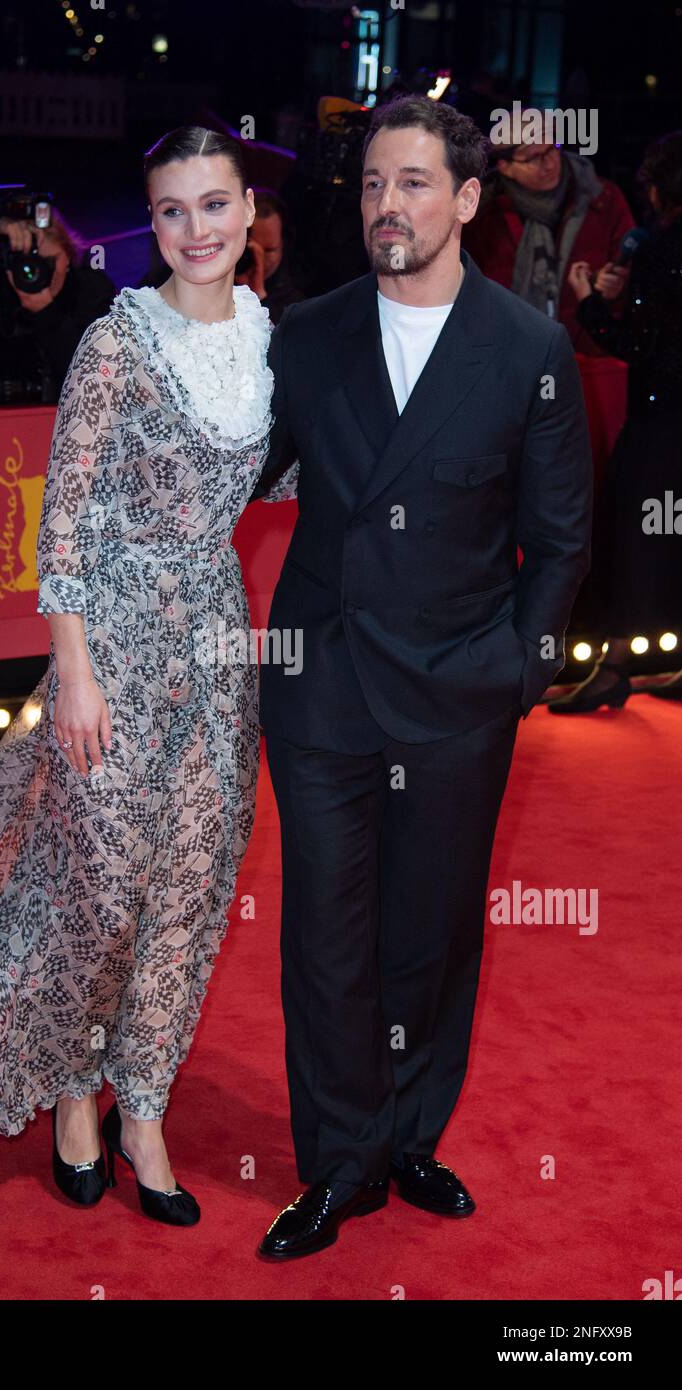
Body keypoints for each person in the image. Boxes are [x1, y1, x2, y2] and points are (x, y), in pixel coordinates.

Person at [0, 126, 273, 1224]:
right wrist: (72, 671)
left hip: (212, 649)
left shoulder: (265, 340)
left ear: (247, 212)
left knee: (192, 884)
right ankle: (74, 1090)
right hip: (107, 644)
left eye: (214, 206)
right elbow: (58, 524)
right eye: (171, 210)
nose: (195, 230)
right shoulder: (116, 341)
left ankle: (143, 1107)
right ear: (148, 223)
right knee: (99, 888)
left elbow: (291, 464)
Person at [249, 94, 593, 1260]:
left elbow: (559, 542)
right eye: (368, 186)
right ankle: (337, 1165)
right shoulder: (308, 332)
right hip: (324, 692)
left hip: (456, 696)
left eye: (408, 184)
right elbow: (235, 479)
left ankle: (407, 1136)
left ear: (462, 200)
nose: (383, 206)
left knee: (428, 936)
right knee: (325, 938)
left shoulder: (526, 349)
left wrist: (511, 672)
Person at [548, 130, 682, 712]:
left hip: (661, 422)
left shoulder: (658, 248)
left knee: (633, 540)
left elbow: (637, 346)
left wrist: (589, 305)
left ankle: (614, 667)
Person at [462, 123, 634, 355]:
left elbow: (631, 268)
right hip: (508, 356)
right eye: (533, 157)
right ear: (505, 167)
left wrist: (611, 284)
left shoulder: (602, 198)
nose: (550, 163)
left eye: (552, 149)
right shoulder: (482, 215)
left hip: (584, 356)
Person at [0, 208, 116, 404]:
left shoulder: (91, 291)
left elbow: (97, 379)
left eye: (48, 263)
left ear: (68, 254)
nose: (40, 275)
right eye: (29, 266)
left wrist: (46, 313)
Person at [234, 188, 307, 323]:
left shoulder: (296, 306)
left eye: (268, 250)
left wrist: (258, 297)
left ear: (284, 244)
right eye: (250, 248)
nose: (259, 258)